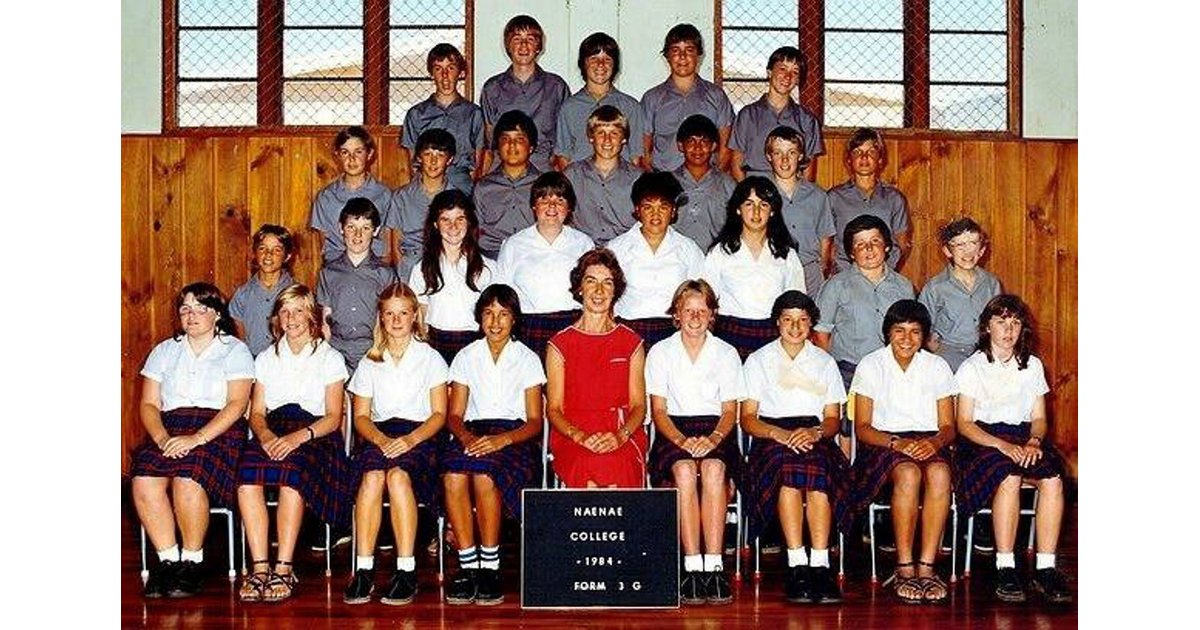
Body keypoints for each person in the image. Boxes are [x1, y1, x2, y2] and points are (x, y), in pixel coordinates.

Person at [131, 283, 254, 598]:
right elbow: (148, 404)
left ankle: (192, 561)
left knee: (188, 477)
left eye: (201, 308)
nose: (192, 315)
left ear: (216, 315)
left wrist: (197, 438)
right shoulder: (164, 350)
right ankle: (168, 561)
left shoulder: (234, 350)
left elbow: (237, 405)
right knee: (144, 479)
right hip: (171, 427)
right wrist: (161, 437)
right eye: (185, 308)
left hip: (217, 428)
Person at [236, 284, 352, 603]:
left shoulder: (330, 357)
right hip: (273, 430)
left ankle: (284, 567)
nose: (292, 318)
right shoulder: (265, 358)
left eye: (299, 310)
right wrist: (268, 436)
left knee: (291, 476)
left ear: (312, 315)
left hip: (315, 434)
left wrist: (296, 438)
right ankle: (260, 567)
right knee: (246, 477)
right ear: (277, 318)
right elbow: (256, 413)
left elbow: (332, 417)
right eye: (285, 311)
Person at [953, 295, 1071, 604]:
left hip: (1023, 438)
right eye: (1001, 322)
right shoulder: (971, 367)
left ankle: (1045, 567)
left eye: (1015, 322)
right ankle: (1005, 565)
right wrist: (1004, 447)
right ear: (986, 327)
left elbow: (1040, 419)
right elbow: (964, 423)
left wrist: (1033, 441)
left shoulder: (1032, 366)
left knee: (1053, 478)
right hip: (983, 439)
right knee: (1009, 476)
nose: (1008, 330)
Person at [343, 284, 449, 606]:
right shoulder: (370, 360)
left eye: (403, 313)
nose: (397, 319)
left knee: (398, 477)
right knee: (373, 476)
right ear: (381, 318)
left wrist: (409, 441)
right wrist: (381, 439)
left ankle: (406, 569)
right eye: (389, 314)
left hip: (421, 435)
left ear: (414, 316)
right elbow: (361, 416)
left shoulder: (430, 358)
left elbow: (439, 413)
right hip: (380, 433)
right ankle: (363, 569)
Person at [740, 291, 848, 605]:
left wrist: (814, 433)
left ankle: (820, 564)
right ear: (777, 323)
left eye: (803, 320)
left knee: (819, 475)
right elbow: (748, 418)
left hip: (813, 434)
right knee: (788, 473)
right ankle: (797, 562)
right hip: (772, 436)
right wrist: (779, 434)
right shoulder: (759, 359)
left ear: (812, 323)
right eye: (788, 320)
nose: (796, 327)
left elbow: (832, 419)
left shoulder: (824, 361)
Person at [441, 284, 546, 606]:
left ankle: (490, 564)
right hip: (473, 432)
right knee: (453, 475)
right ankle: (468, 564)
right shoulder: (466, 356)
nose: (495, 322)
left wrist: (502, 440)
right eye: (488, 314)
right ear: (479, 318)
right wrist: (468, 438)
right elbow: (454, 415)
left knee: (486, 475)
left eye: (503, 314)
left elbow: (534, 421)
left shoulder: (527, 359)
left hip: (514, 437)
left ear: (514, 319)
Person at [848, 299, 957, 605]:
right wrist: (897, 443)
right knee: (908, 473)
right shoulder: (871, 364)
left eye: (915, 332)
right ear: (887, 333)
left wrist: (934, 443)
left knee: (940, 471)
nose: (907, 339)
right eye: (899, 331)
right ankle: (904, 565)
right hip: (885, 443)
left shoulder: (937, 366)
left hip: (928, 440)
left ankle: (927, 566)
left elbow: (948, 426)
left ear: (924, 336)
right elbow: (863, 428)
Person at [645, 279, 744, 605]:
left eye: (703, 310)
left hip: (716, 428)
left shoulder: (726, 353)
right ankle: (690, 566)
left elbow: (731, 410)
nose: (695, 316)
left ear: (712, 314)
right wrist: (681, 441)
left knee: (715, 468)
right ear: (676, 313)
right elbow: (658, 410)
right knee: (685, 471)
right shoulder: (660, 352)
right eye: (688, 310)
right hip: (673, 429)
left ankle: (713, 567)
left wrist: (714, 437)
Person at [546, 248, 648, 488]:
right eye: (591, 281)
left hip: (621, 431)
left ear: (616, 291)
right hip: (572, 434)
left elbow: (638, 405)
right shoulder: (559, 344)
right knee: (586, 464)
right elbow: (554, 408)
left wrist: (620, 436)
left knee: (617, 465)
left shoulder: (632, 342)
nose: (599, 291)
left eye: (607, 283)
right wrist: (579, 436)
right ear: (580, 288)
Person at [704, 176, 806, 360]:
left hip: (772, 335)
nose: (756, 212)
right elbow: (707, 302)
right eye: (749, 204)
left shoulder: (786, 254)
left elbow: (796, 303)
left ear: (773, 211)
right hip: (730, 334)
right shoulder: (720, 252)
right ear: (737, 209)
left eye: (764, 205)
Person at [495, 172, 594, 359]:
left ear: (570, 207)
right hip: (530, 327)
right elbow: (504, 294)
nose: (552, 207)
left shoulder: (583, 243)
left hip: (573, 324)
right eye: (544, 199)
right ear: (533, 205)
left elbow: (591, 291)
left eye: (560, 200)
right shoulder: (513, 244)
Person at [813, 214, 916, 391]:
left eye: (875, 241)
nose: (868, 248)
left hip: (891, 370)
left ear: (887, 246)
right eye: (860, 244)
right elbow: (821, 333)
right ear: (852, 253)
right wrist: (830, 372)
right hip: (849, 372)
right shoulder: (836, 285)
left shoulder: (904, 286)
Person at [607, 171, 705, 349]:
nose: (655, 214)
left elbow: (700, 294)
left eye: (663, 207)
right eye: (648, 207)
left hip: (674, 333)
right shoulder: (616, 248)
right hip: (629, 330)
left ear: (673, 211)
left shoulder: (688, 249)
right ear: (637, 210)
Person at [409, 189, 496, 364]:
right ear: (435, 224)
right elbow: (420, 314)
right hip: (435, 344)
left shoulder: (488, 268)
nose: (453, 227)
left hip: (475, 344)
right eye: (445, 220)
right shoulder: (422, 269)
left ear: (469, 222)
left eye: (460, 219)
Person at [480, 14, 569, 173]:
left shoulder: (556, 86)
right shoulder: (492, 88)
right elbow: (489, 139)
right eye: (516, 39)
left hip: (543, 168)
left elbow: (565, 137)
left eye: (530, 39)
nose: (523, 46)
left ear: (538, 46)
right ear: (508, 46)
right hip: (504, 168)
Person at [317, 197, 398, 373]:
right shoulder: (328, 272)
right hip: (337, 351)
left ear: (375, 231)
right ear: (341, 228)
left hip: (373, 350)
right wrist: (323, 355)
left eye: (365, 228)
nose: (357, 235)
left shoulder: (385, 274)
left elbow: (390, 320)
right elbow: (326, 321)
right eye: (351, 227)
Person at [641, 24, 735, 172]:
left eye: (689, 50)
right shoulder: (652, 99)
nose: (682, 56)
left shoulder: (716, 96)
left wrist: (713, 182)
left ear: (699, 55)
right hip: (665, 181)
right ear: (667, 56)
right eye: (675, 50)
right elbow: (644, 151)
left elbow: (726, 148)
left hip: (706, 183)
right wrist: (656, 184)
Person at [552, 32, 647, 170]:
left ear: (615, 65)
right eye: (593, 58)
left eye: (607, 59)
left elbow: (637, 158)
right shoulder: (569, 107)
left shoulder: (631, 107)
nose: (600, 64)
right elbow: (563, 158)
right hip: (580, 186)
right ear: (583, 63)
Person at [918, 217, 1002, 372]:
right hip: (948, 355)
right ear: (947, 251)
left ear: (982, 250)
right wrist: (937, 350)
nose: (968, 251)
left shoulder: (992, 283)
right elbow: (922, 325)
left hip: (983, 353)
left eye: (973, 243)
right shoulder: (935, 287)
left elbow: (998, 320)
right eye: (960, 245)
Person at [400, 43, 486, 192]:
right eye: (438, 69)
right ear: (431, 73)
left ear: (461, 73)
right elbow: (413, 162)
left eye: (450, 68)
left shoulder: (474, 113)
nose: (445, 75)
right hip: (427, 185)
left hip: (461, 186)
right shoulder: (416, 114)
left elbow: (477, 163)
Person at [730, 46, 824, 182]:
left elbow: (809, 168)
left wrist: (798, 200)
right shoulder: (747, 115)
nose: (788, 76)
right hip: (755, 189)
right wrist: (747, 195)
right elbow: (736, 162)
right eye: (783, 69)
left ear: (798, 80)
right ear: (769, 72)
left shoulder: (807, 120)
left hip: (791, 189)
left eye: (795, 72)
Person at [828, 128, 911, 271]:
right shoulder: (834, 197)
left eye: (871, 152)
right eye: (857, 152)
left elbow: (902, 243)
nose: (864, 157)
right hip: (845, 276)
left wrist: (886, 270)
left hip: (883, 275)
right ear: (849, 159)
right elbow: (827, 243)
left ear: (880, 159)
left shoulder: (894, 198)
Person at [764, 126, 835, 295]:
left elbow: (825, 238)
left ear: (801, 156)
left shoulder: (817, 195)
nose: (785, 160)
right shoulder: (761, 194)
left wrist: (821, 267)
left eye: (791, 153)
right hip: (771, 271)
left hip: (809, 273)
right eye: (777, 153)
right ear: (769, 157)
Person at [310, 126, 395, 264]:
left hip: (374, 268)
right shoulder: (326, 198)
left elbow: (388, 246)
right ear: (337, 155)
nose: (352, 159)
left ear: (369, 154)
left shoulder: (385, 195)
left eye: (358, 152)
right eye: (345, 152)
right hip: (338, 269)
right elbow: (324, 246)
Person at [563, 104, 642, 245]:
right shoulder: (572, 174)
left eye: (614, 133)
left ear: (624, 138)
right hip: (582, 249)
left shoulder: (638, 178)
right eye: (601, 133)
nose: (607, 140)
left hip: (624, 250)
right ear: (591, 137)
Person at [390, 128, 457, 282]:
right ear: (419, 157)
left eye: (440, 155)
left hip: (445, 263)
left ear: (450, 160)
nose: (433, 162)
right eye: (428, 154)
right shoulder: (401, 196)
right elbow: (395, 245)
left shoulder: (456, 197)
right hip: (410, 264)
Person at [473, 110, 541, 259]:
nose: (511, 145)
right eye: (505, 139)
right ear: (497, 147)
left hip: (533, 256)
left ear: (531, 147)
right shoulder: (483, 187)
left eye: (519, 139)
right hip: (492, 257)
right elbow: (475, 231)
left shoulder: (543, 185)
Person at [672, 114, 737, 251]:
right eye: (691, 141)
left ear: (713, 146)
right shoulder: (666, 183)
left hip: (715, 259)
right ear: (680, 146)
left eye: (704, 141)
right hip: (676, 259)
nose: (697, 148)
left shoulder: (727, 184)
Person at [231, 224, 297, 356]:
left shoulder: (296, 294)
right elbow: (240, 341)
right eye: (262, 248)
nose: (268, 255)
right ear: (255, 252)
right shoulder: (242, 295)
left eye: (277, 250)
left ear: (287, 256)